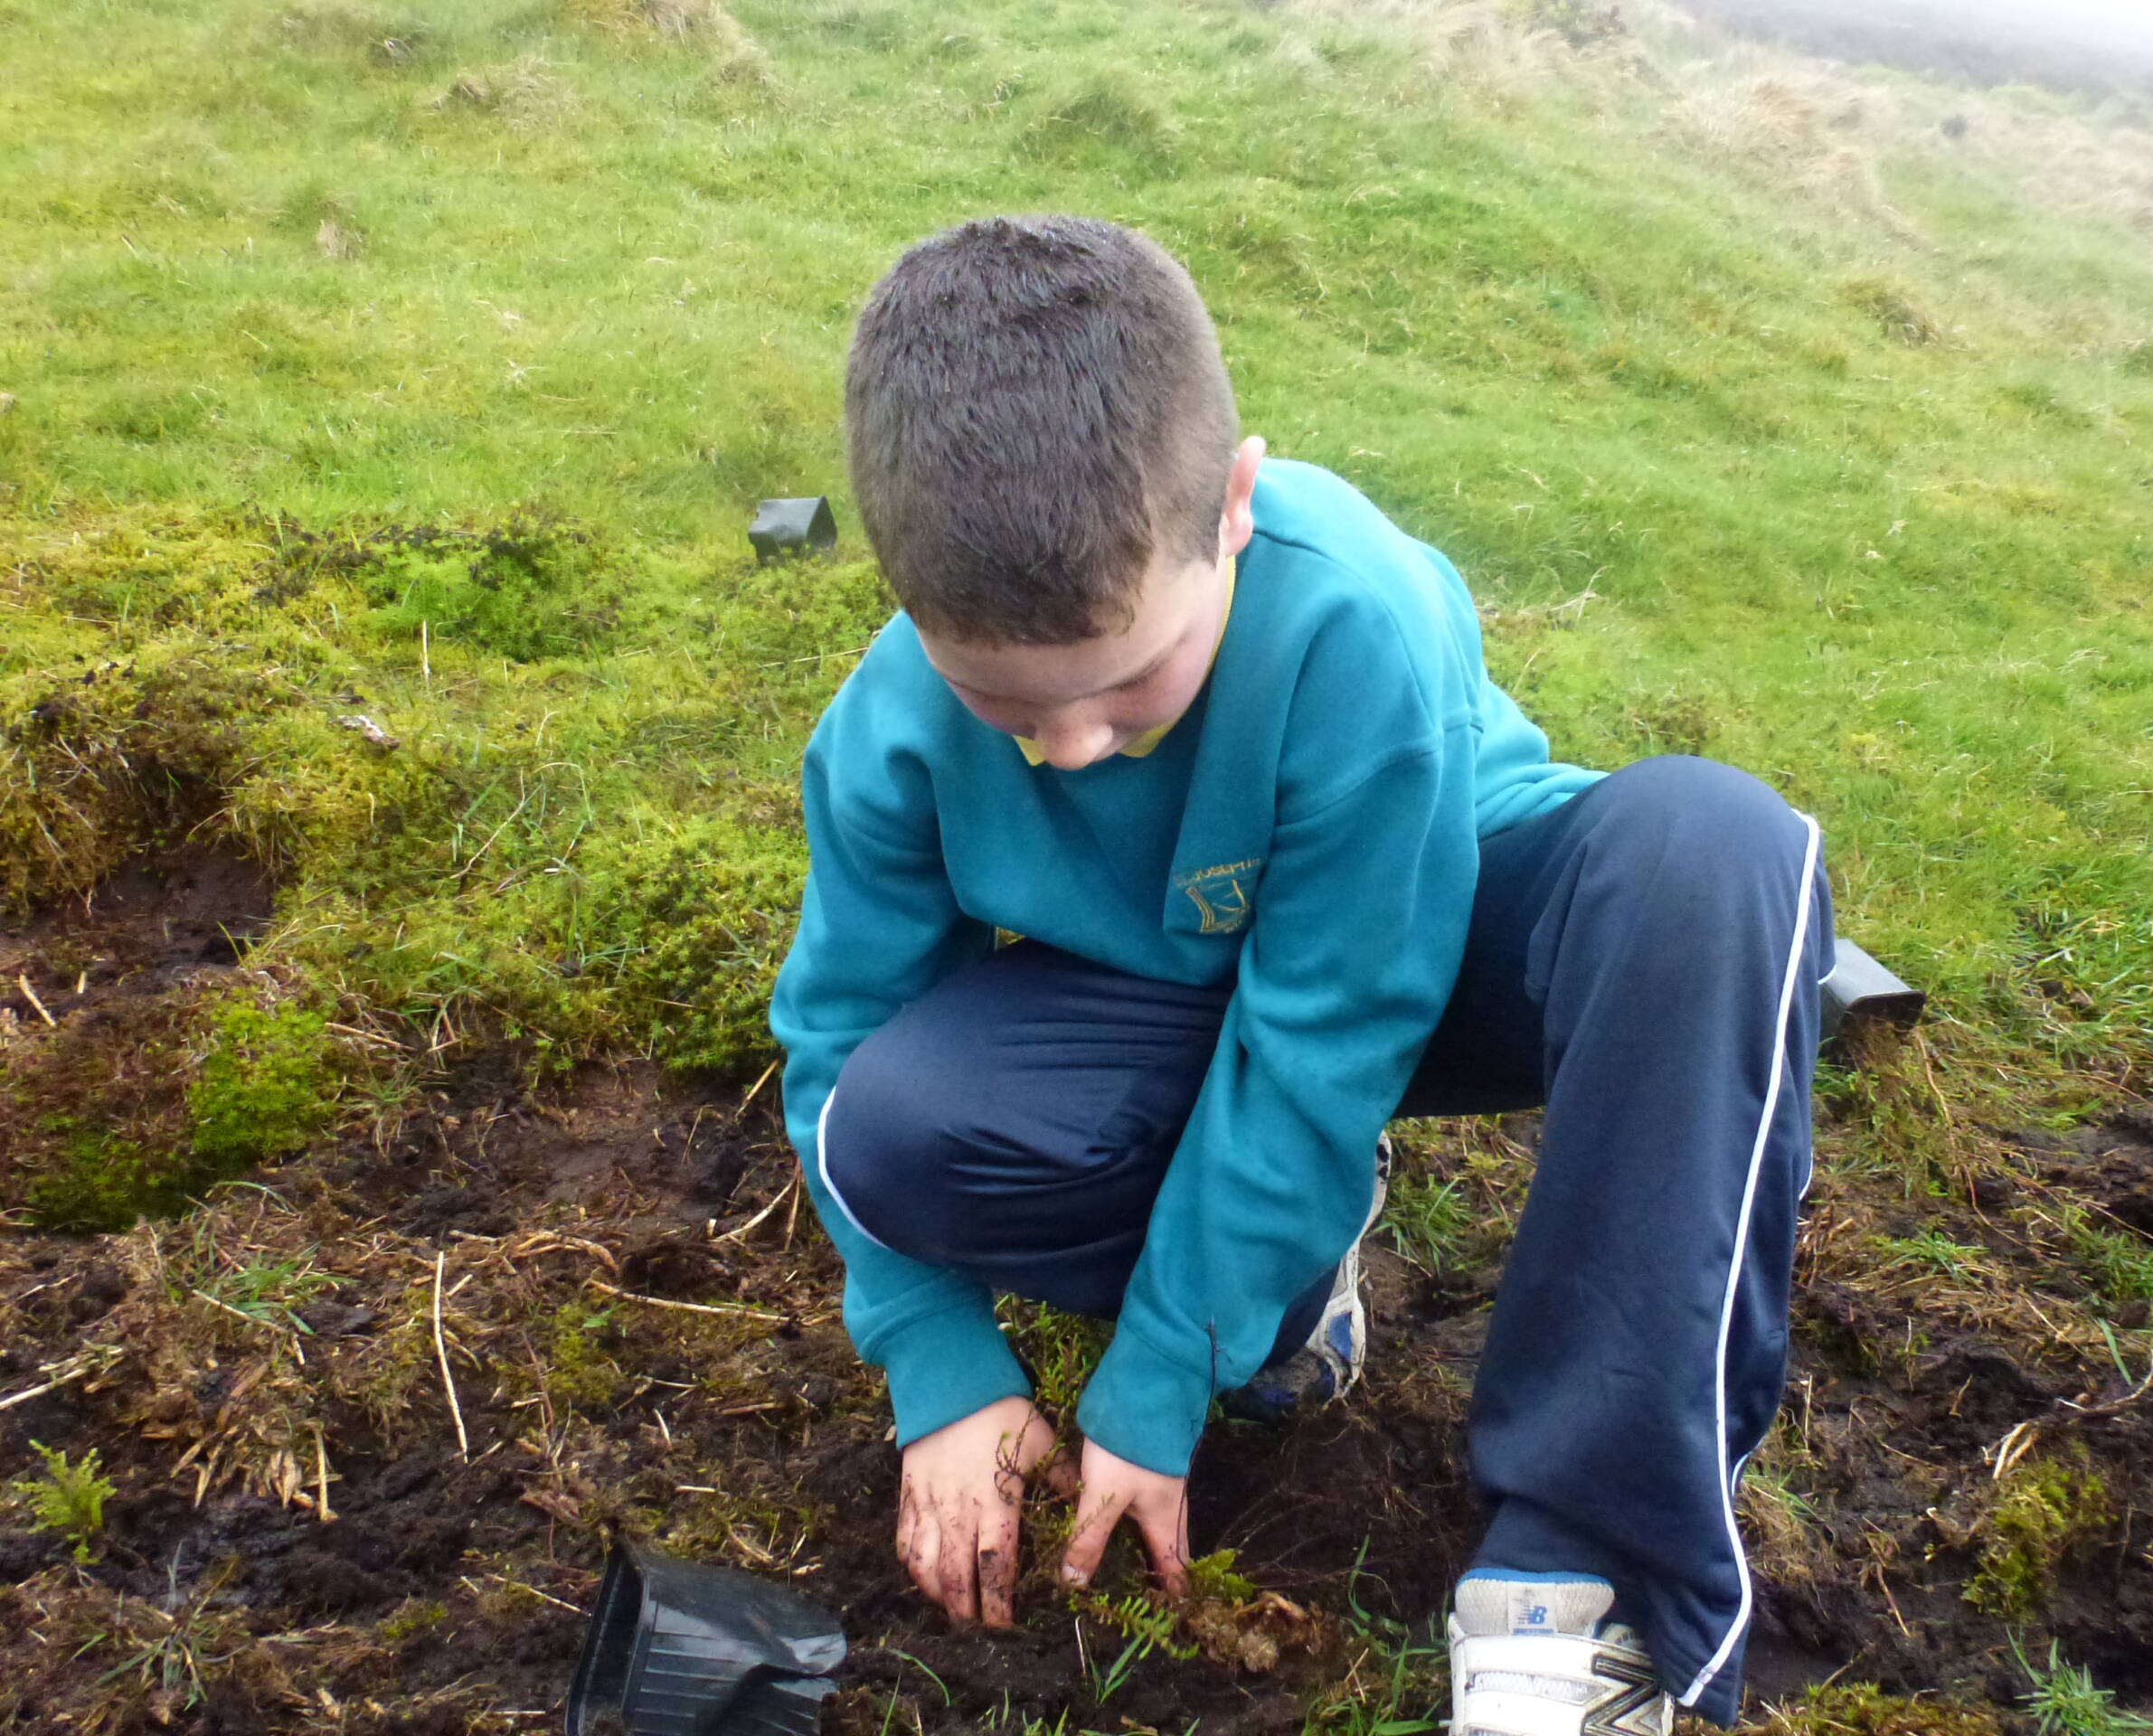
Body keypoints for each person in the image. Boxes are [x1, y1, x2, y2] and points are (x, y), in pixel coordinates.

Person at [770, 213, 1831, 1734]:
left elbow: (1330, 1032)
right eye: (999, 697)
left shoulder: (1352, 619)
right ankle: (1283, 1308)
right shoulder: (884, 727)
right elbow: (833, 1031)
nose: (1071, 748)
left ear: (1236, 508)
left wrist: (1145, 1393)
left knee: (1717, 850)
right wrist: (938, 1364)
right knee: (895, 1121)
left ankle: (1582, 1581)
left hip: (1447, 936)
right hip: (1179, 997)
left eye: (1131, 681)